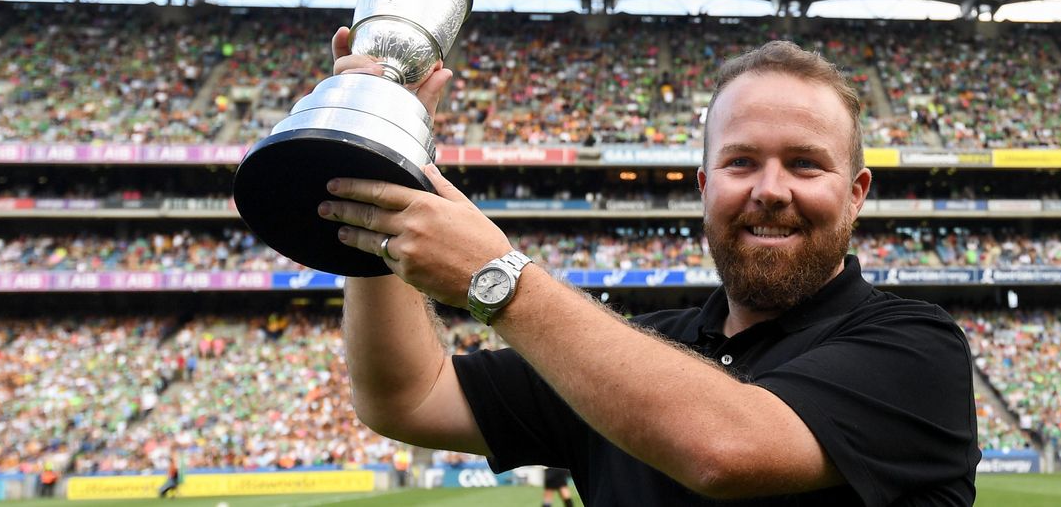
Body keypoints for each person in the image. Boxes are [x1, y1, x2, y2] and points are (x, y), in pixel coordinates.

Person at [323, 34, 979, 505]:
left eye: (806, 163)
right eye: (741, 162)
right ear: (704, 184)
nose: (771, 190)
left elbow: (724, 449)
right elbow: (406, 397)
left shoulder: (917, 348)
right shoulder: (626, 351)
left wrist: (498, 277)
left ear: (857, 191)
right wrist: (383, 155)